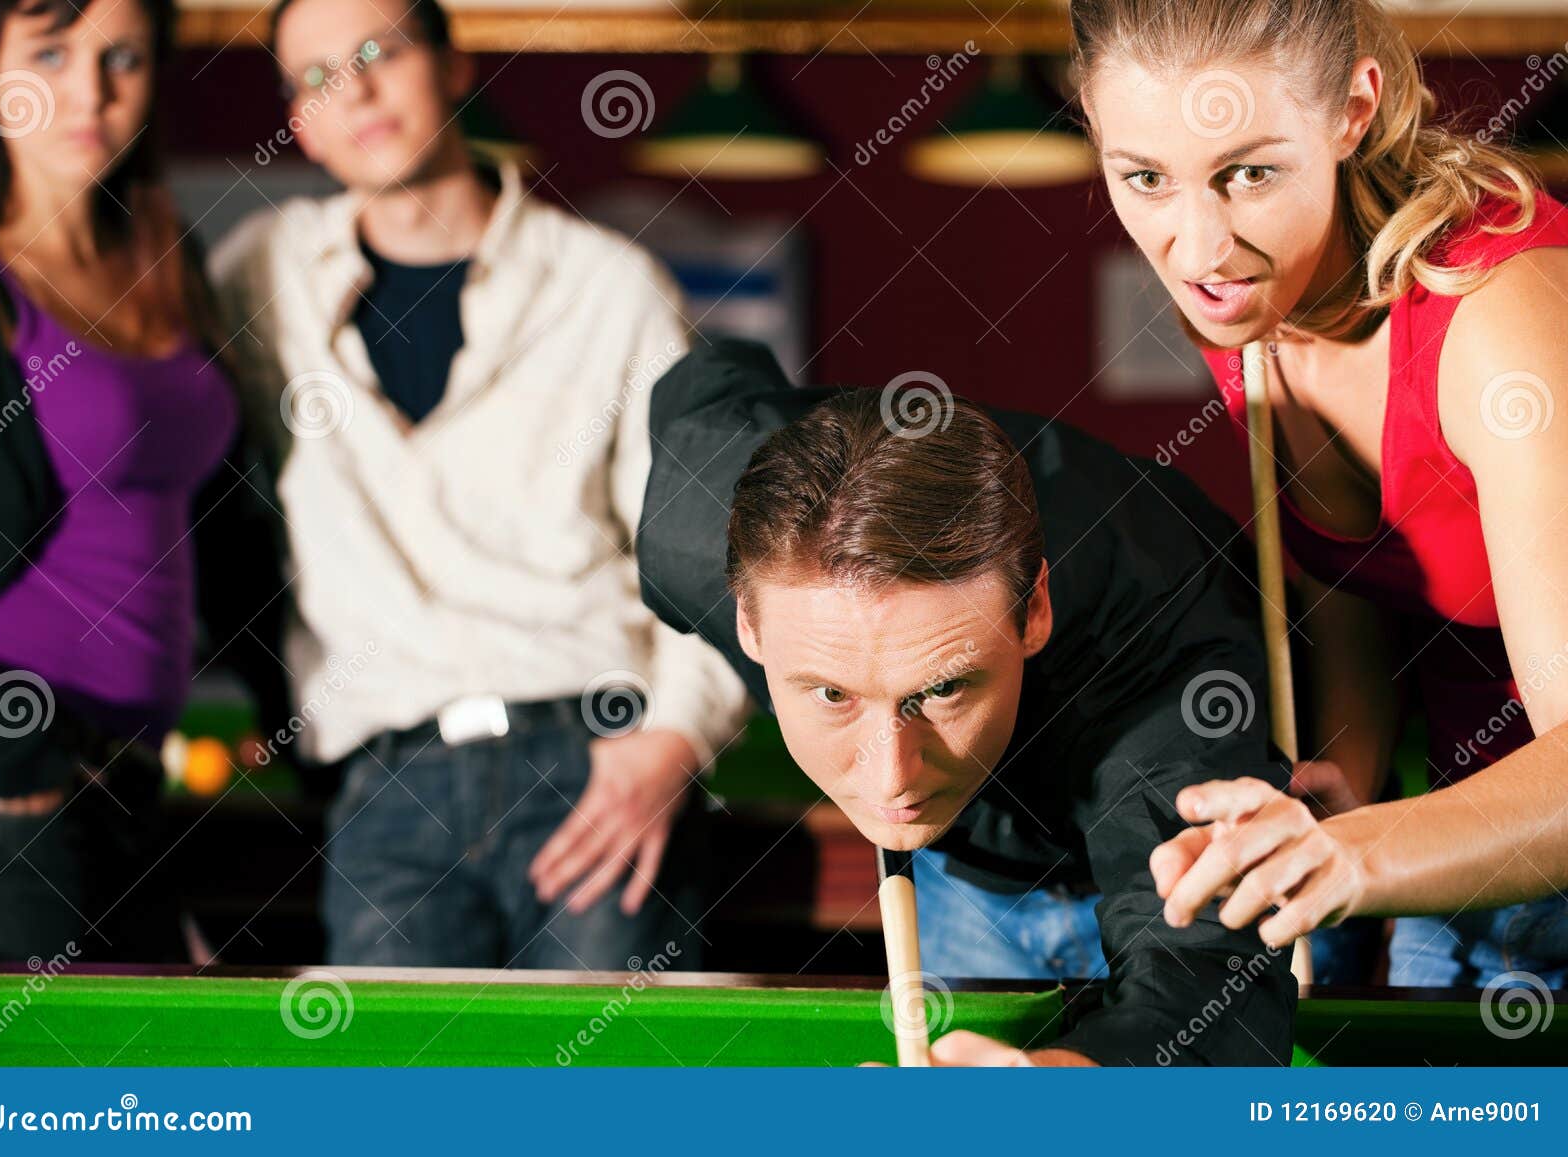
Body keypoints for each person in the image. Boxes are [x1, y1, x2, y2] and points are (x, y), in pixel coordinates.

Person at [209, 0, 750, 970]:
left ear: (452, 65)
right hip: (386, 781)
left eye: (377, 52)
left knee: (617, 1073)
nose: (355, 91)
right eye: (318, 77)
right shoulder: (262, 275)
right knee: (393, 1077)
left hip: (594, 751)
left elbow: (708, 546)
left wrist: (674, 742)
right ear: (299, 123)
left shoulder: (609, 285)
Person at [1071, 0, 1568, 986]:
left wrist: (1353, 855)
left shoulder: (1501, 318)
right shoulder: (1255, 308)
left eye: (1249, 173)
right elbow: (1355, 600)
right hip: (1472, 836)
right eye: (1146, 179)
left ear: (1351, 110)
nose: (1197, 247)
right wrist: (1334, 787)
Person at [636, 340, 1296, 1066]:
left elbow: (1206, 969)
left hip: (1147, 811)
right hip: (972, 878)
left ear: (1034, 608)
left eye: (944, 689)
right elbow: (710, 370)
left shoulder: (1152, 619)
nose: (891, 778)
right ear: (748, 623)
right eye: (832, 694)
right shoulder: (688, 528)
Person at [0, 0, 281, 963]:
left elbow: (216, 514)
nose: (90, 95)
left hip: (133, 780)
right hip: (3, 792)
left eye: (124, 59)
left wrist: (282, 701)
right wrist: (9, 749)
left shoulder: (165, 245)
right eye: (50, 54)